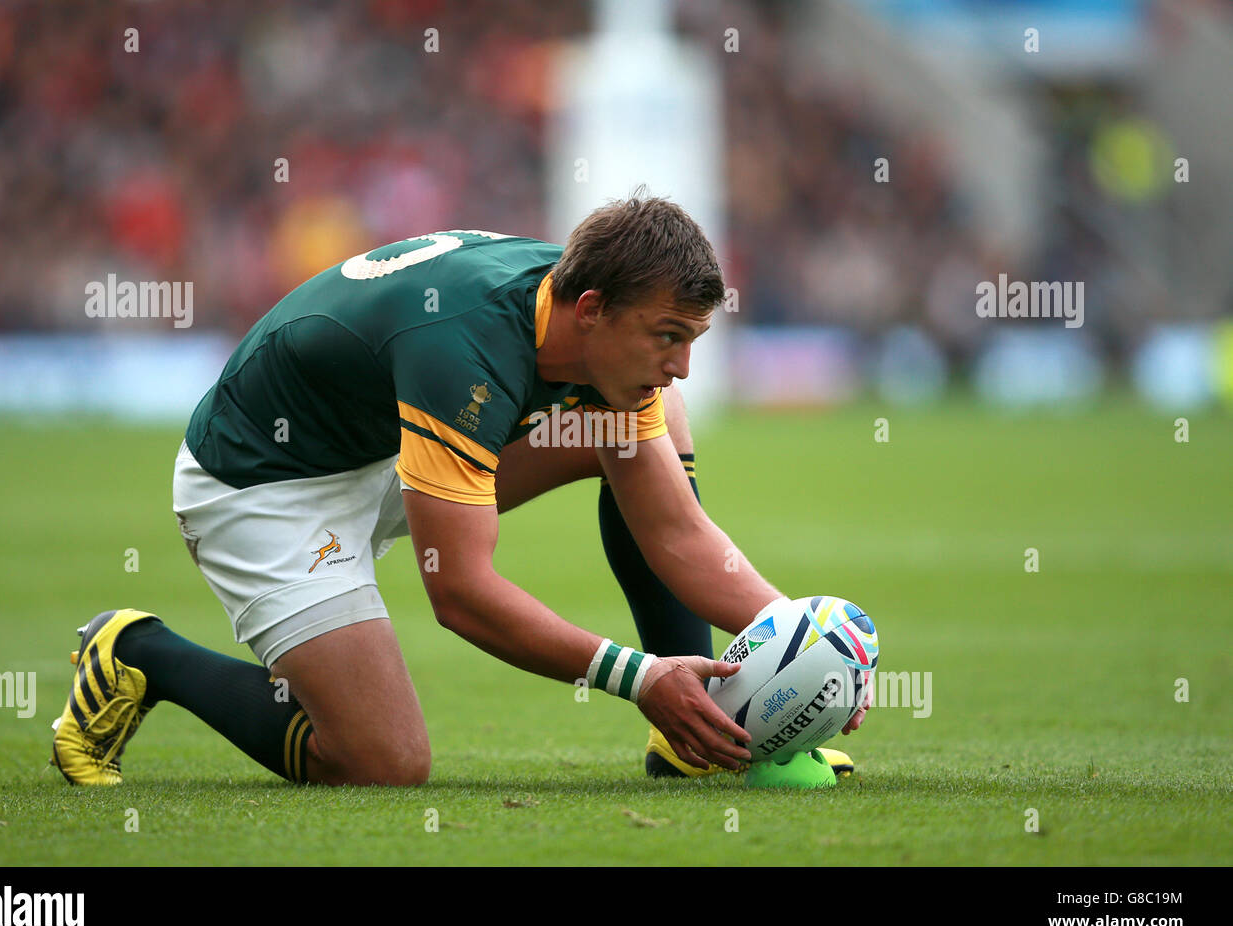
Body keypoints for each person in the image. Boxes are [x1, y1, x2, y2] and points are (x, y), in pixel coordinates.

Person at [49, 194, 868, 787]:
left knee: (655, 423)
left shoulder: (587, 317)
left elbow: (678, 533)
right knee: (382, 763)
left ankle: (694, 733)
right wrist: (638, 674)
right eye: (668, 337)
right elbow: (462, 594)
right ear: (591, 309)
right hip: (268, 488)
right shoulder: (465, 350)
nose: (681, 362)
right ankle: (140, 651)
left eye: (691, 339)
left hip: (389, 446)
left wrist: (805, 640)